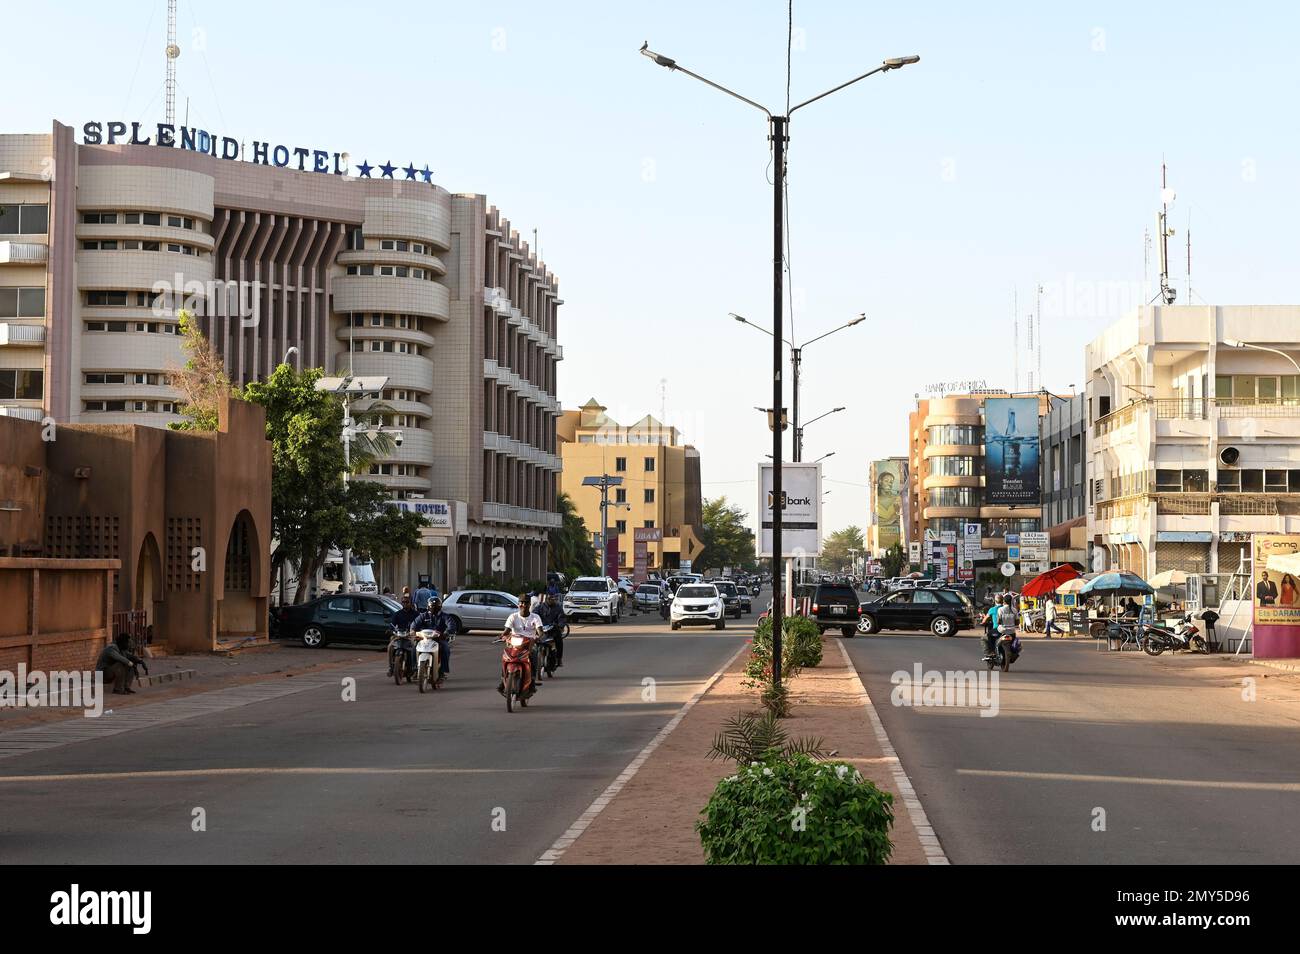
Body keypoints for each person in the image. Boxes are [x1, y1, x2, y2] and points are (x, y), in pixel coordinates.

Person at [500, 592, 543, 695]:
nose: (523, 605)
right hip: (514, 644)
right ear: (518, 604)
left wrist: (537, 637)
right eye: (521, 603)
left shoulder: (535, 617)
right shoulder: (513, 616)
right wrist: (502, 636)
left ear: (529, 605)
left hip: (529, 644)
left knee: (533, 655)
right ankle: (503, 681)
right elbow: (507, 631)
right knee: (505, 657)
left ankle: (532, 680)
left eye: (525, 603)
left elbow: (540, 631)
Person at [413, 597, 455, 684]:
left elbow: (451, 625)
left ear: (439, 607)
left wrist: (446, 633)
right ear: (428, 606)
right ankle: (415, 669)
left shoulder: (445, 616)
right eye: (432, 606)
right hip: (424, 639)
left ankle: (442, 671)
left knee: (446, 648)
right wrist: (413, 631)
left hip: (439, 639)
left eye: (435, 607)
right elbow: (414, 624)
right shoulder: (423, 615)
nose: (433, 608)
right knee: (414, 648)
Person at [387, 595, 420, 677]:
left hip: (410, 636)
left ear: (411, 603)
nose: (405, 604)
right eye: (403, 602)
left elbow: (420, 624)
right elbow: (392, 624)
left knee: (415, 647)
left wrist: (417, 632)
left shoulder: (416, 614)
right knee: (390, 646)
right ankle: (391, 667)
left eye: (407, 602)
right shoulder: (397, 614)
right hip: (399, 635)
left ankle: (415, 668)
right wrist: (390, 630)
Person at [538, 592, 567, 668]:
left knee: (559, 641)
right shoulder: (540, 607)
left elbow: (562, 618)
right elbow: (534, 616)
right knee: (533, 643)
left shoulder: (558, 608)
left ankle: (559, 659)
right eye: (550, 598)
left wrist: (560, 626)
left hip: (553, 630)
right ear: (546, 599)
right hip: (541, 631)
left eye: (553, 599)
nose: (552, 600)